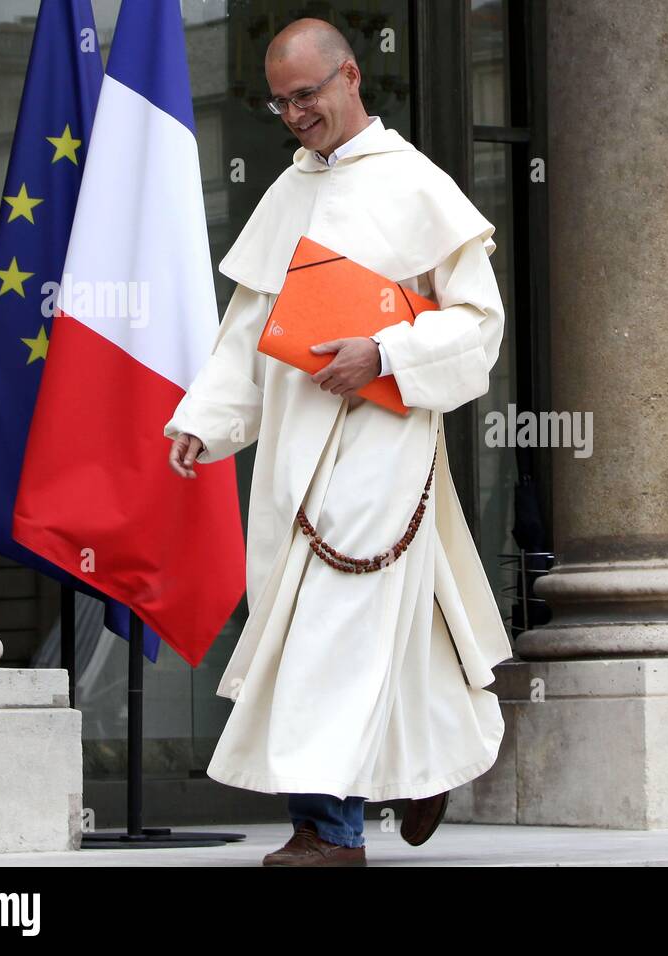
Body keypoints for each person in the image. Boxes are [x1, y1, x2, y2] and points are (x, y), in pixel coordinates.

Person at [162, 17, 513, 867]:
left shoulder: (416, 184)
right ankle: (422, 759)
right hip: (291, 453)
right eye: (278, 100)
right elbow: (247, 327)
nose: (291, 114)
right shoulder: (286, 195)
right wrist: (204, 419)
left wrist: (385, 352)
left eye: (305, 95)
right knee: (324, 628)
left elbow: (480, 327)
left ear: (352, 77)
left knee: (332, 633)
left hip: (379, 445)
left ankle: (330, 833)